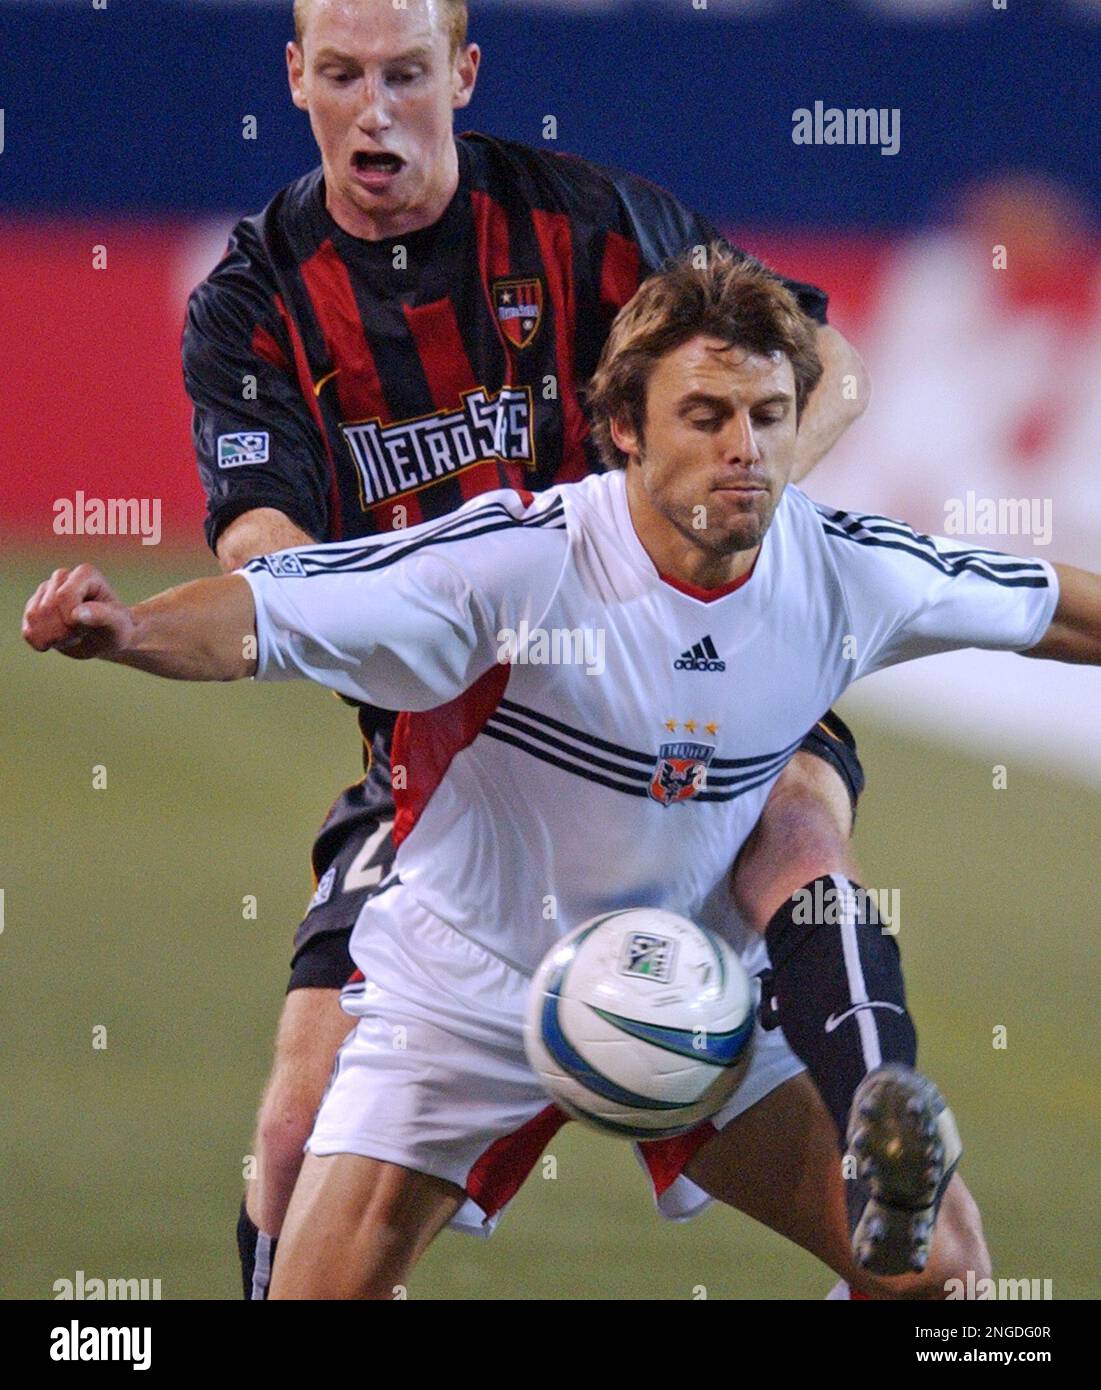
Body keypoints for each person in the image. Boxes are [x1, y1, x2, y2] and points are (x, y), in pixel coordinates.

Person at [31, 246, 1095, 1298]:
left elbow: (1047, 604)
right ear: (625, 430)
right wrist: (126, 628)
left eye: (769, 418)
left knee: (946, 1279)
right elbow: (276, 610)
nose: (746, 451)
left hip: (692, 984)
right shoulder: (520, 563)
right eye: (706, 415)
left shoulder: (844, 568)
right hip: (464, 992)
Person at [183, 0, 879, 1296]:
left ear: (464, 72)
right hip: (463, 784)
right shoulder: (255, 299)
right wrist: (396, 618)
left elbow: (825, 355)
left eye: (404, 73)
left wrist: (740, 498)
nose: (373, 107)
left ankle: (880, 1096)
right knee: (290, 1138)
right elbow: (261, 538)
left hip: (695, 698)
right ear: (295, 78)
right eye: (341, 74)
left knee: (801, 821)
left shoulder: (596, 228)